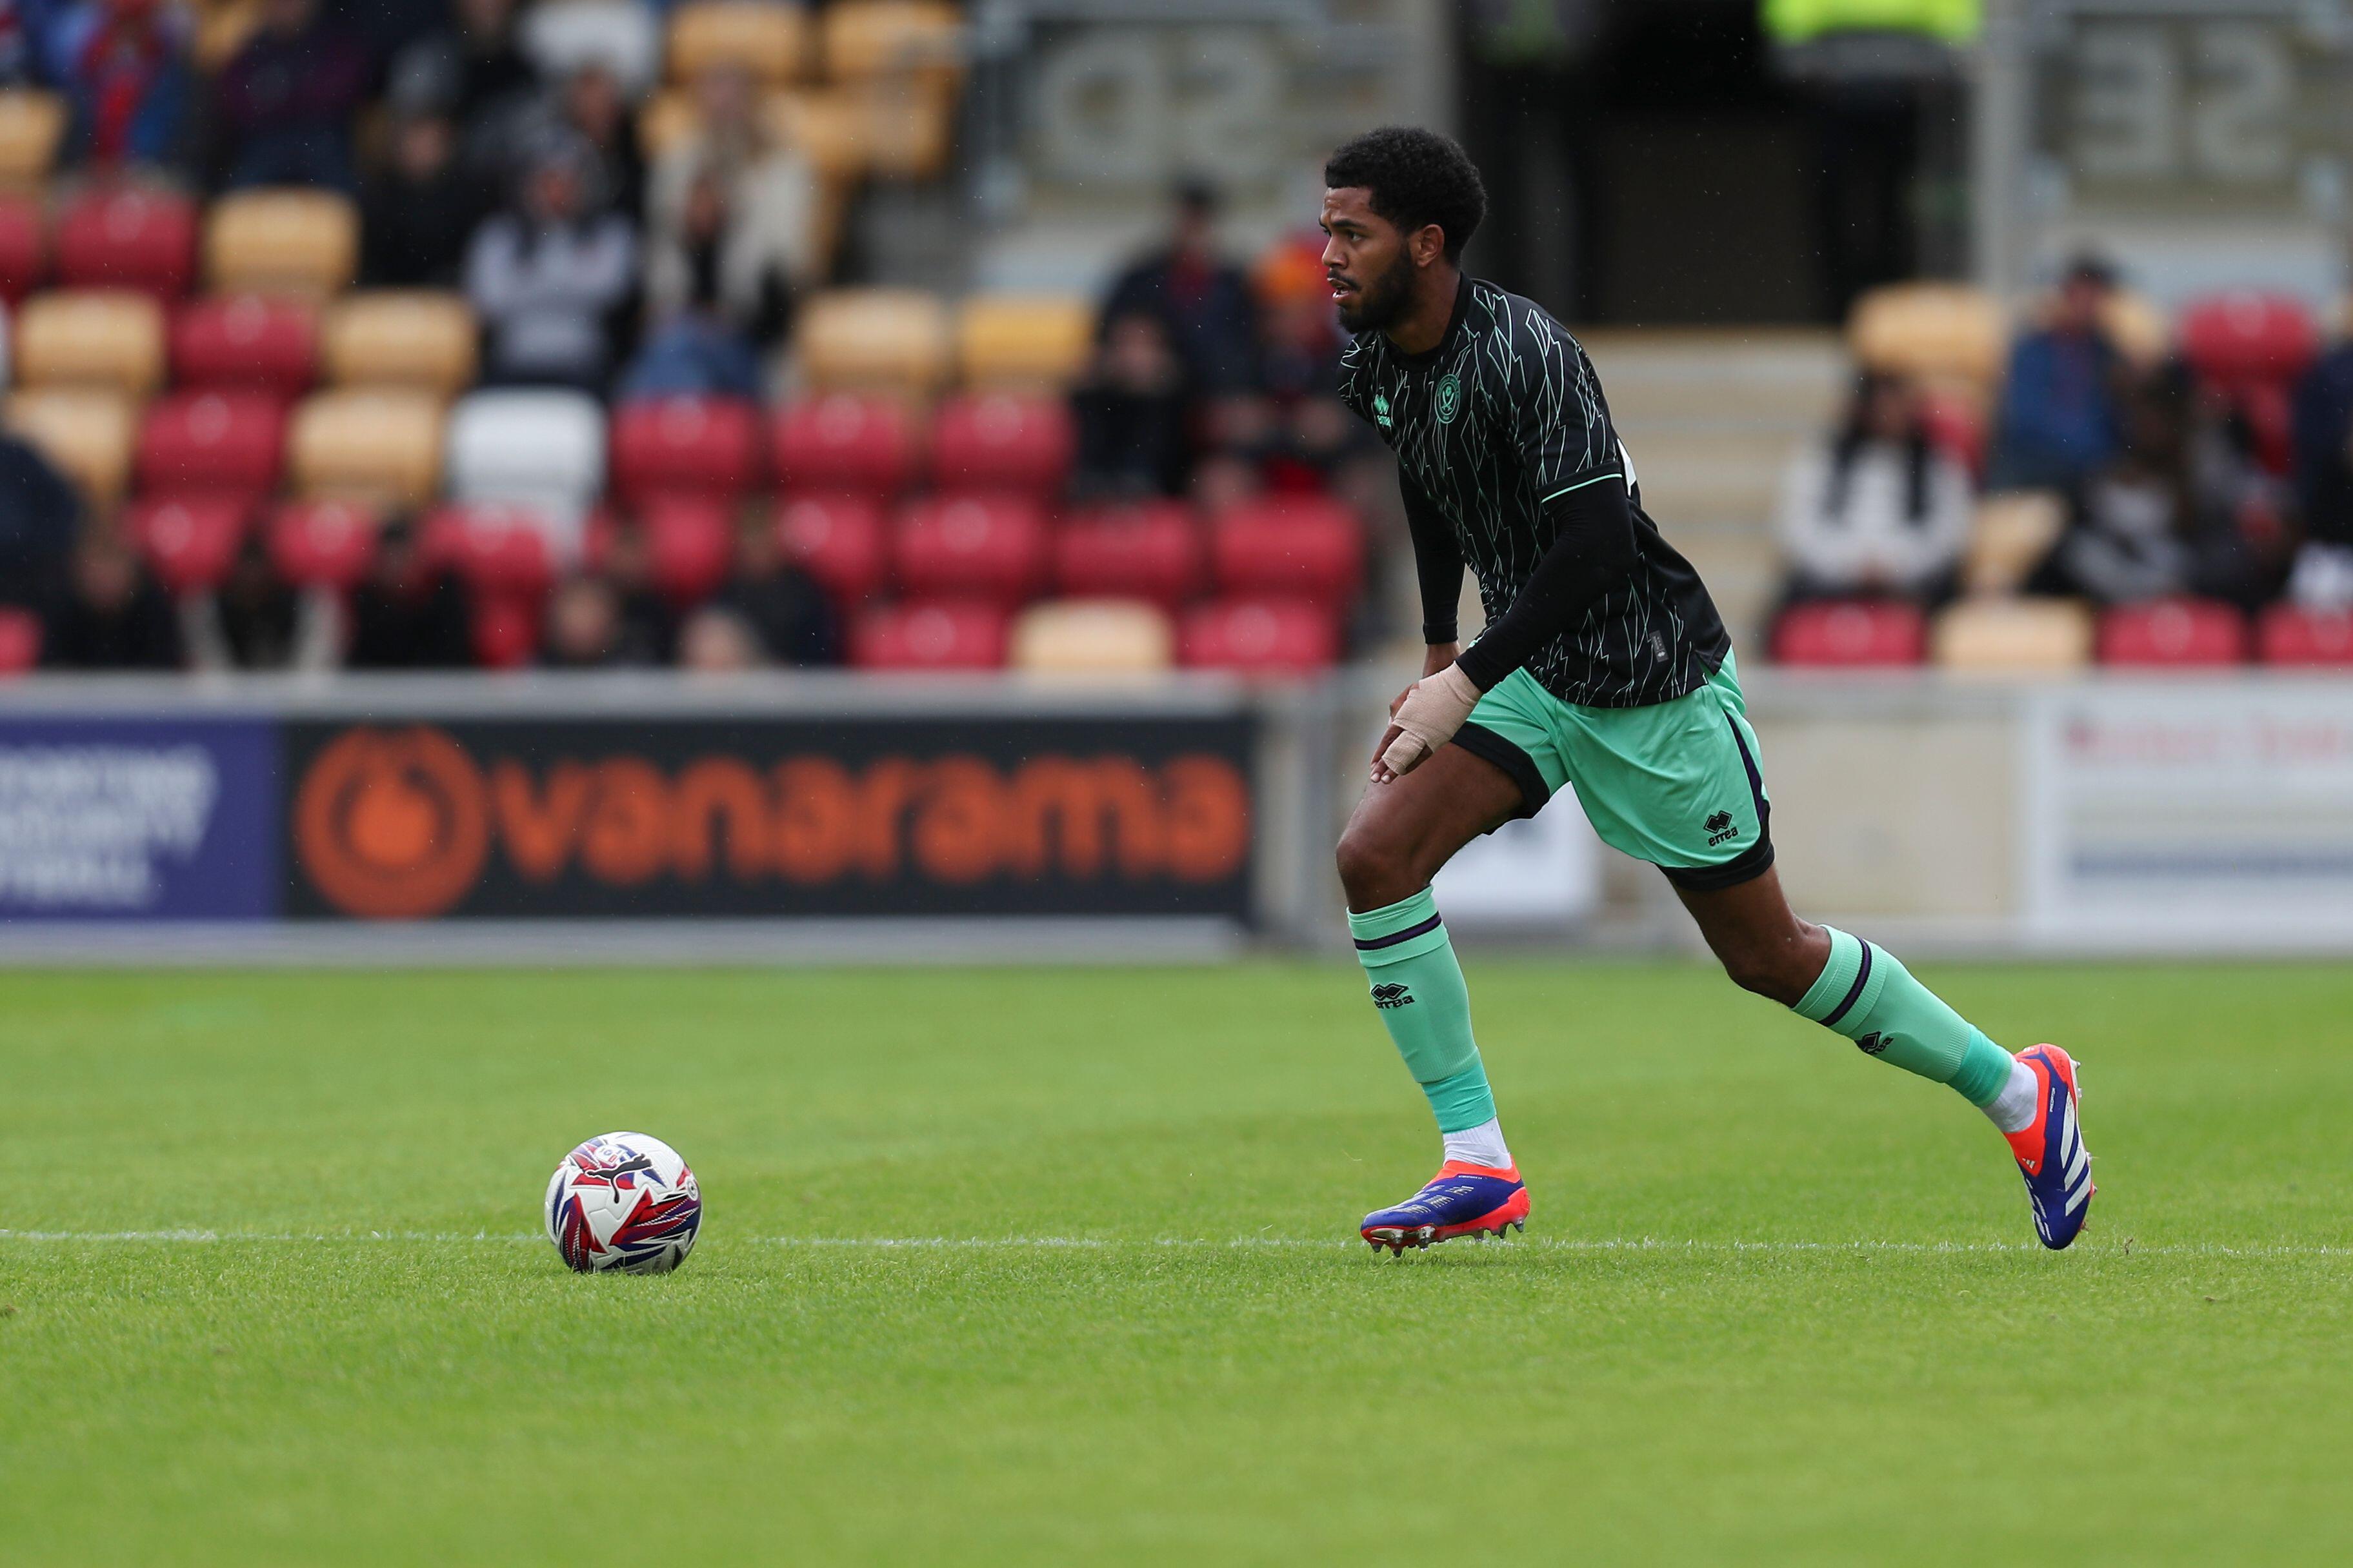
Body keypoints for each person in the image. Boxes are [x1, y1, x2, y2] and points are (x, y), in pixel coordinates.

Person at [1318, 126, 2092, 1256]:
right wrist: (1441, 652)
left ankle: (2020, 1091)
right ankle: (1476, 1162)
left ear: (1425, 243)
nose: (1327, 254)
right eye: (1327, 230)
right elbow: (1429, 479)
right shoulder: (1376, 363)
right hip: (1533, 671)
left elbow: (1595, 544)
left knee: (1766, 956)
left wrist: (1465, 676)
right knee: (1373, 856)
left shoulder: (1527, 353)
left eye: (1352, 233)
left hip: (1648, 679)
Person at [1776, 371, 1970, 604]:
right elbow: (1798, 526)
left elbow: (1949, 532)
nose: (1890, 416)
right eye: (1882, 407)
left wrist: (1895, 566)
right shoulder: (1823, 459)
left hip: (1912, 584)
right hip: (1831, 580)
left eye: (1898, 407)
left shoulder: (1936, 464)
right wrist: (1849, 565)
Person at [465, 134, 638, 390]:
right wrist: (571, 279)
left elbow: (612, 289)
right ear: (527, 185)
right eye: (548, 181)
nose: (557, 192)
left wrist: (529, 279)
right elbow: (488, 301)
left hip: (584, 364)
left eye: (568, 182)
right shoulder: (498, 236)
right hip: (514, 364)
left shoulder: (610, 232)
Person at [1100, 179, 1260, 396]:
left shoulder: (1235, 284)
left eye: (1198, 224)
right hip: (1153, 395)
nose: (1191, 233)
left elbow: (1251, 343)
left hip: (1219, 391)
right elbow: (1110, 335)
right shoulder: (1141, 279)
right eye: (1187, 223)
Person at [1986, 256, 2127, 493]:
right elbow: (2024, 419)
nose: (2087, 306)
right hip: (2035, 466)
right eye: (2081, 295)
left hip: (2089, 472)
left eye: (2095, 297)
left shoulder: (2107, 354)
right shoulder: (2033, 349)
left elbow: (2116, 421)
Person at [209, 0, 370, 191]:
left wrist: (277, 94)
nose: (286, 7)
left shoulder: (335, 42)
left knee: (342, 189)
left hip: (323, 141)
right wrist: (300, 92)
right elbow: (234, 100)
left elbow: (343, 89)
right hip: (263, 142)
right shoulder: (252, 49)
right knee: (238, 192)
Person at [52, 0, 194, 173]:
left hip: (147, 166)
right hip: (91, 165)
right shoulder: (88, 52)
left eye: (136, 20)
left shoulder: (167, 59)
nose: (129, 30)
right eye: (123, 21)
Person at [1069, 312, 1193, 501]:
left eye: (1143, 346)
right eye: (1125, 345)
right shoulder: (1091, 400)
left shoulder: (1177, 402)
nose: (1134, 357)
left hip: (1162, 494)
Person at [358, 101, 480, 288]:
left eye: (428, 142)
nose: (420, 149)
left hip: (448, 291)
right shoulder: (378, 196)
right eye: (413, 140)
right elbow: (369, 265)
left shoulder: (467, 197)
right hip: (389, 292)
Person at [709, 512, 836, 665]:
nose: (757, 547)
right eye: (751, 539)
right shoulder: (727, 591)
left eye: (762, 539)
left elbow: (820, 658)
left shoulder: (805, 597)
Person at [344, 517, 472, 668]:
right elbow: (360, 660)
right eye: (391, 558)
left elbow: (456, 656)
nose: (397, 566)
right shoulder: (363, 597)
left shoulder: (445, 592)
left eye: (403, 557)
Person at [41, 529, 179, 668]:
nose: (106, 576)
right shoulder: (61, 614)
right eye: (98, 564)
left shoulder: (155, 614)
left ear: (133, 570)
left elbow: (166, 670)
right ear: (79, 570)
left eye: (114, 563)